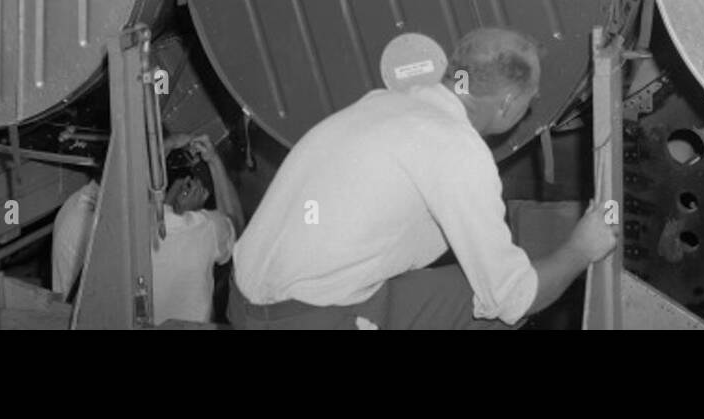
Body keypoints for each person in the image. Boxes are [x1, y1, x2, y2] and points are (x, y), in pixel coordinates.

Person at [230, 27, 618, 330]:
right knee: (497, 306)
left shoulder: (383, 102)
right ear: (506, 104)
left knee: (470, 283)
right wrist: (582, 248)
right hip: (305, 319)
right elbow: (514, 297)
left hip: (240, 298)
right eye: (528, 102)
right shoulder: (457, 148)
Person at [52, 133, 244, 325]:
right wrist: (213, 160)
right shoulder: (199, 228)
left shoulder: (77, 207)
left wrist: (171, 206)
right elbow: (235, 226)